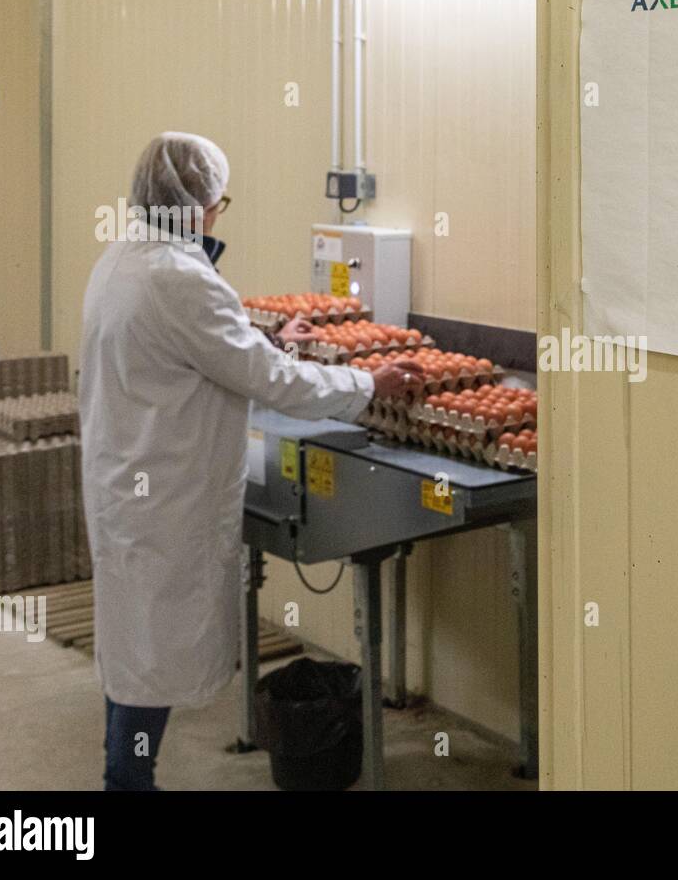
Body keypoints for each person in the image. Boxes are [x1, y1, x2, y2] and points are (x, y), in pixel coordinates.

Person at [78, 132, 422, 790]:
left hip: (128, 488)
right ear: (198, 205)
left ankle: (125, 773)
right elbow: (276, 385)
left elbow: (201, 342)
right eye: (217, 201)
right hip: (163, 501)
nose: (217, 213)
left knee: (134, 650)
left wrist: (262, 337)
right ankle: (126, 781)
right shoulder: (179, 279)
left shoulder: (124, 259)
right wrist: (369, 385)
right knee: (147, 657)